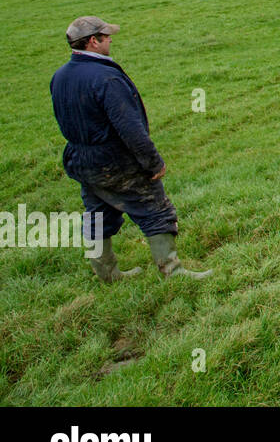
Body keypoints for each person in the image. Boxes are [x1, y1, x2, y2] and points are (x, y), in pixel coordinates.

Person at [49, 16, 211, 281]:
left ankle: (107, 274)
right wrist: (152, 162)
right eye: (106, 35)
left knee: (97, 214)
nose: (111, 39)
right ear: (93, 41)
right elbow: (130, 128)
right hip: (115, 160)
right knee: (155, 209)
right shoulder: (106, 78)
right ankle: (173, 273)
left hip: (81, 159)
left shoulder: (60, 76)